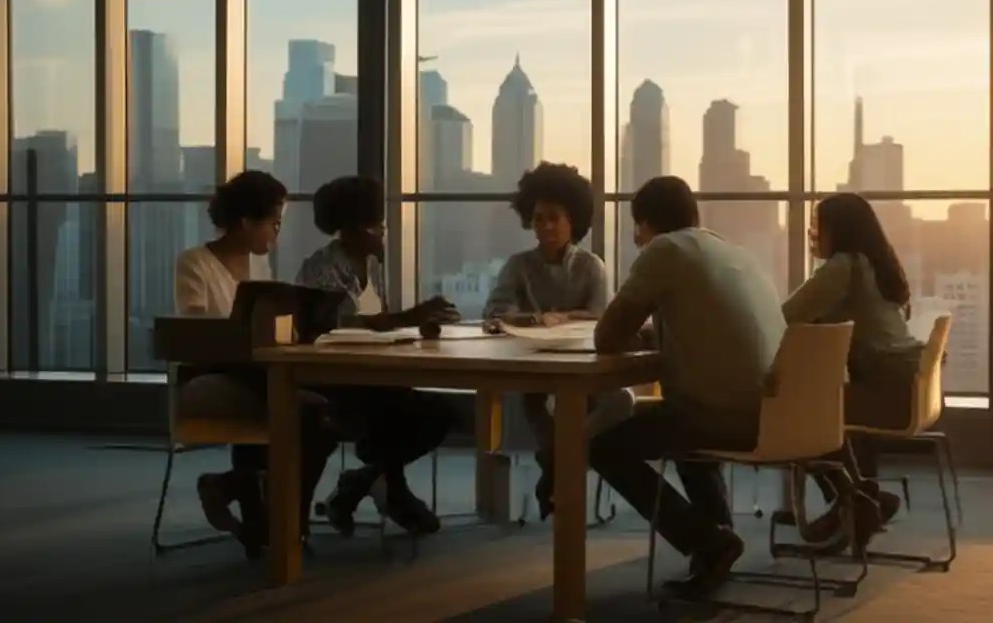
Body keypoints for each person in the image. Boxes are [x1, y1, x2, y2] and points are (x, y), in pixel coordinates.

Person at [591, 176, 787, 596]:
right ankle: (717, 540)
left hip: (722, 415)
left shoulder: (664, 250)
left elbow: (606, 337)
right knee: (681, 425)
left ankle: (708, 542)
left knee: (603, 448)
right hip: (776, 412)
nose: (635, 236)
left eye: (636, 227)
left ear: (643, 224)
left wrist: (632, 331)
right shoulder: (732, 252)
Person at [174, 170, 337, 558]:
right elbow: (195, 325)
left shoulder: (259, 268)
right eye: (274, 223)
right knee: (306, 413)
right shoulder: (195, 263)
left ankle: (254, 502)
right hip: (215, 370)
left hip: (259, 367)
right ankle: (280, 521)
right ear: (246, 222)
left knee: (315, 415)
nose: (276, 234)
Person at [296, 175, 460, 536]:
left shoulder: (368, 266)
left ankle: (364, 480)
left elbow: (378, 324)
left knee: (440, 414)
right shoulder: (324, 268)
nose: (383, 229)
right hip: (332, 382)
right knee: (407, 412)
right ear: (353, 228)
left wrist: (417, 322)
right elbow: (344, 328)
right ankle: (385, 487)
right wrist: (411, 317)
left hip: (368, 375)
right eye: (375, 223)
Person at [482, 162, 634, 520]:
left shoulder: (591, 266)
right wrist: (535, 319)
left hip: (582, 365)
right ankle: (563, 460)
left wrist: (561, 317)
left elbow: (601, 314)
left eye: (553, 218)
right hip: (534, 364)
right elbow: (493, 312)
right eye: (538, 219)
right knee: (534, 401)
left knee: (622, 401)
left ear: (573, 221)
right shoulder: (519, 265)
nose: (545, 227)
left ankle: (556, 458)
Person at [780, 192, 924, 544]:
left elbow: (784, 316)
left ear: (838, 230)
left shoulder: (843, 266)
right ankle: (862, 499)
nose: (813, 233)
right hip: (907, 382)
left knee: (795, 418)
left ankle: (854, 501)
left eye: (818, 225)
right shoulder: (875, 264)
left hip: (883, 387)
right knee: (816, 413)